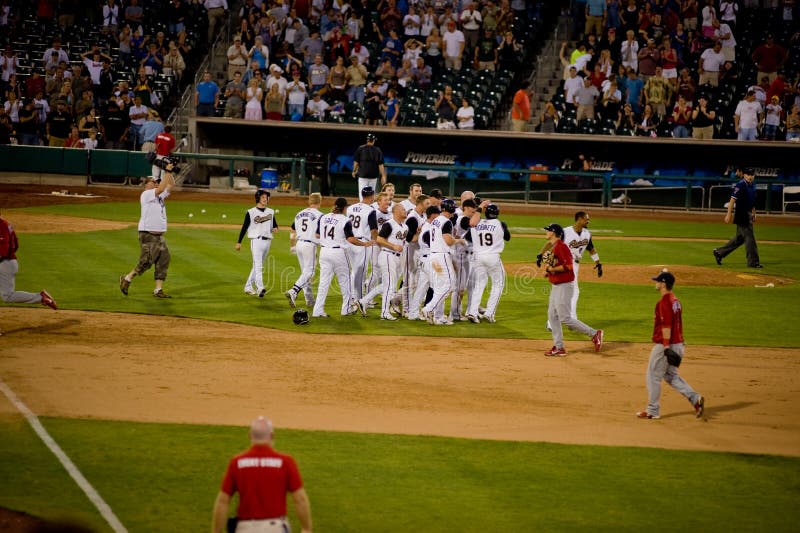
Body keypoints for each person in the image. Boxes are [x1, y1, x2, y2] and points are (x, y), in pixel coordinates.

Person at [211, 416, 312, 533]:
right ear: (272, 436)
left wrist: (216, 531)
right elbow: (300, 499)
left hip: (245, 528)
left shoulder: (237, 463)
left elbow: (223, 501)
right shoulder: (285, 462)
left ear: (250, 435)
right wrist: (306, 529)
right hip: (275, 528)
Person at [636, 271, 705, 420]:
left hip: (666, 345)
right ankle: (695, 398)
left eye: (657, 281)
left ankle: (653, 410)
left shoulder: (665, 302)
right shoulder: (675, 300)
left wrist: (666, 347)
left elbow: (666, 326)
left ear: (663, 283)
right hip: (679, 343)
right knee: (670, 375)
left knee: (653, 376)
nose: (655, 283)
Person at [541, 223, 604, 357]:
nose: (546, 232)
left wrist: (551, 269)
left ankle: (594, 333)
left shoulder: (561, 247)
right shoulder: (555, 247)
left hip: (564, 285)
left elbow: (568, 266)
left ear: (554, 233)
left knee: (565, 318)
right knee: (552, 315)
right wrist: (549, 272)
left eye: (548, 230)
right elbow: (558, 265)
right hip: (556, 284)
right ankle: (559, 347)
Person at [119, 168, 176, 298]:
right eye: (154, 181)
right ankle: (127, 278)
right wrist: (166, 170)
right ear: (146, 185)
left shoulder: (159, 197)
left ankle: (158, 290)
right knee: (146, 261)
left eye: (157, 182)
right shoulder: (146, 194)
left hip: (159, 236)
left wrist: (170, 172)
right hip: (148, 234)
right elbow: (161, 188)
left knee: (163, 260)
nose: (156, 183)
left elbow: (171, 185)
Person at [0, 208, 58, 334]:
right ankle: (41, 298)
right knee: (7, 296)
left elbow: (3, 251)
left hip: (4, 264)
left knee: (7, 296)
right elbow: (15, 245)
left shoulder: (2, 226)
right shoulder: (6, 224)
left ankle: (40, 298)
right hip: (8, 262)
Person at [312, 197, 371, 317]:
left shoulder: (323, 217)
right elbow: (350, 239)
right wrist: (364, 243)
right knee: (345, 281)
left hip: (324, 252)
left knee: (323, 283)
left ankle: (317, 310)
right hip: (338, 253)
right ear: (344, 208)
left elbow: (317, 235)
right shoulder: (345, 220)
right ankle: (346, 309)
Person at [464, 203, 510, 323]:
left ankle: (472, 312)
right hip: (493, 257)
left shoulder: (477, 222)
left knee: (479, 285)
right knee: (498, 284)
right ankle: (489, 313)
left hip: (478, 257)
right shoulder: (501, 224)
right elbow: (508, 237)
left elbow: (468, 237)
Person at [713, 167, 762, 268]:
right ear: (744, 175)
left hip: (748, 213)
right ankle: (753, 262)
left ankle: (719, 252)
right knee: (750, 238)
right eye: (748, 174)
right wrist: (729, 214)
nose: (750, 176)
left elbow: (752, 201)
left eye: (752, 174)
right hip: (741, 214)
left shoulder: (753, 185)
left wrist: (754, 213)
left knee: (740, 238)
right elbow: (732, 201)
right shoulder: (740, 185)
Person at [236, 189, 278, 297]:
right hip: (256, 241)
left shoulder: (271, 212)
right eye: (263, 197)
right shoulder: (251, 212)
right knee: (258, 266)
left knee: (257, 266)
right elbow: (244, 228)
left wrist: (275, 229)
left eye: (266, 197)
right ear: (258, 198)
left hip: (267, 241)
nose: (265, 199)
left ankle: (248, 286)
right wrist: (239, 242)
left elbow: (275, 225)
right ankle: (260, 288)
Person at [286, 193, 324, 309]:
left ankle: (309, 299)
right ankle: (294, 291)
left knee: (305, 273)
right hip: (310, 246)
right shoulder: (320, 215)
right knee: (310, 272)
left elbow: (292, 230)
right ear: (320, 202)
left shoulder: (299, 214)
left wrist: (292, 245)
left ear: (309, 201)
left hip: (299, 244)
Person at [352, 133, 387, 200]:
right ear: (373, 140)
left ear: (367, 140)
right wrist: (383, 176)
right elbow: (380, 164)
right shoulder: (377, 150)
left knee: (362, 195)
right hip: (373, 176)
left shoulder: (360, 148)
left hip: (363, 176)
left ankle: (362, 208)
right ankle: (369, 208)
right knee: (371, 195)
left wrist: (354, 171)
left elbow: (356, 162)